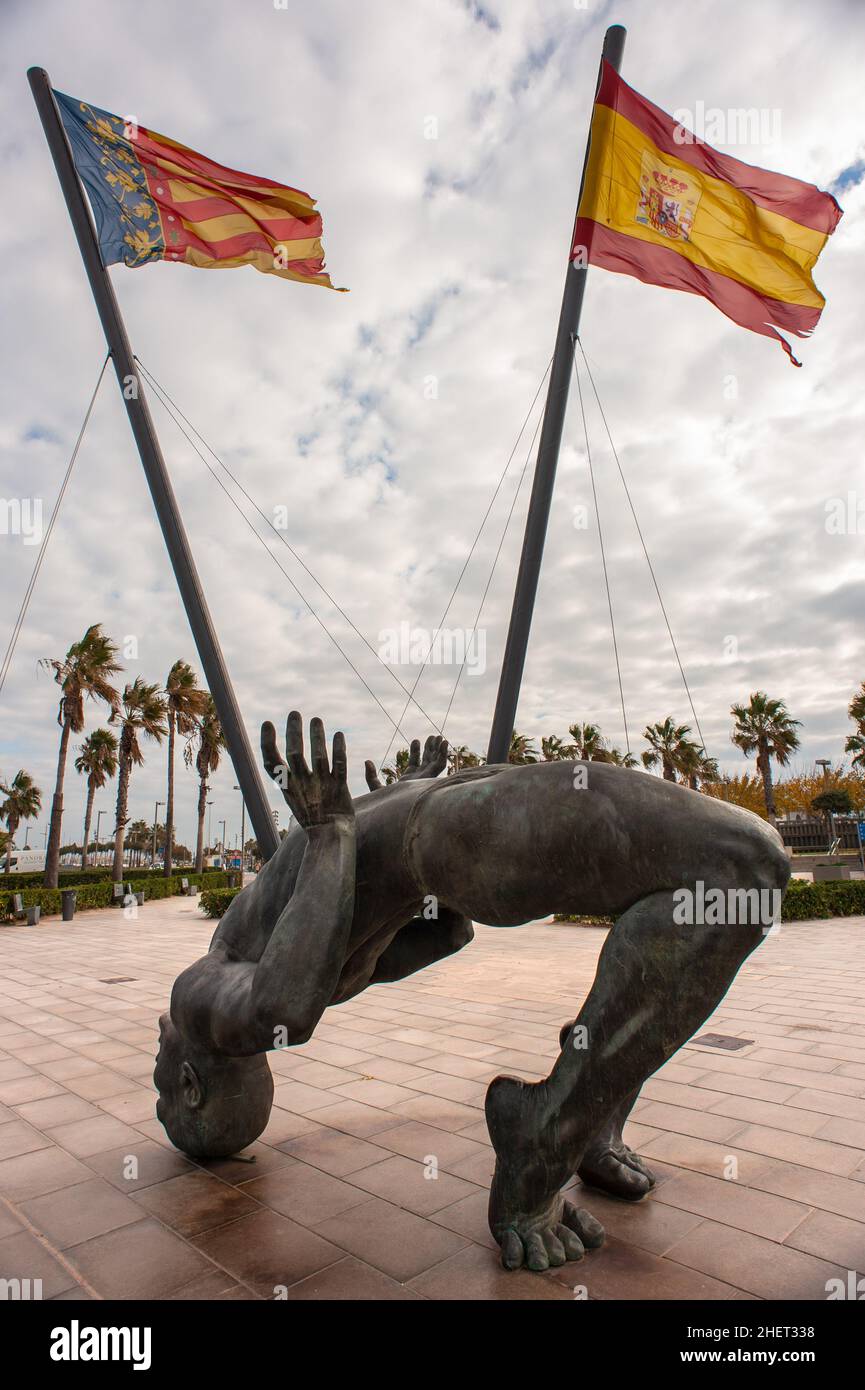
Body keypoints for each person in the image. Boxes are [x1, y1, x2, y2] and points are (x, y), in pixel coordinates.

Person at [155, 710, 789, 1270]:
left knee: (738, 869)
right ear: (191, 1084)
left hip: (443, 823)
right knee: (741, 866)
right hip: (444, 833)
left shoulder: (235, 971)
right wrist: (332, 830)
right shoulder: (216, 997)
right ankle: (550, 1132)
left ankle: (577, 1120)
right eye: (164, 1090)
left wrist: (397, 793)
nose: (154, 1061)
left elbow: (419, 939)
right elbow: (286, 1005)